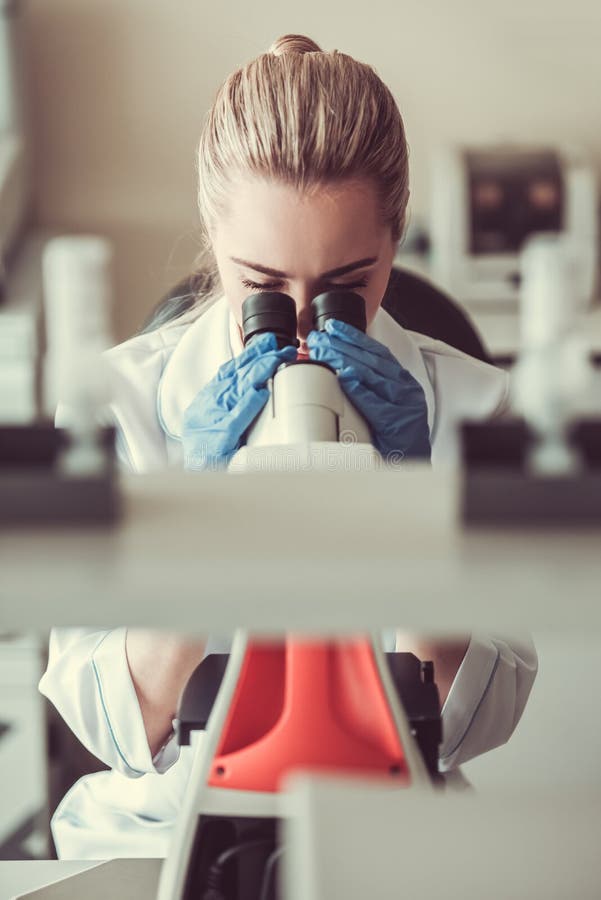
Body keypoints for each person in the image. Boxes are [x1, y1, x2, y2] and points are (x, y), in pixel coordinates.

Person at [39, 34, 537, 859]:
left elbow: (475, 725)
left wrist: (406, 503)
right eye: (263, 288)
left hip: (392, 818)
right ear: (211, 234)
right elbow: (114, 729)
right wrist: (194, 521)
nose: (305, 325)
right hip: (164, 828)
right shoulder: (116, 402)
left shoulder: (476, 406)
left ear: (394, 238)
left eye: (346, 286)